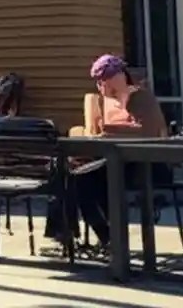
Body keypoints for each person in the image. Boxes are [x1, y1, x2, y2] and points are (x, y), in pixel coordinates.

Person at [44, 54, 168, 251]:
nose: (101, 86)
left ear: (120, 76)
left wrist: (108, 133)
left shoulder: (140, 97)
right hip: (109, 159)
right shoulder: (103, 102)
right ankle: (90, 233)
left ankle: (96, 234)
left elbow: (149, 132)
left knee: (80, 178)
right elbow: (98, 130)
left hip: (141, 163)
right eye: (99, 81)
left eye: (105, 79)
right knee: (69, 172)